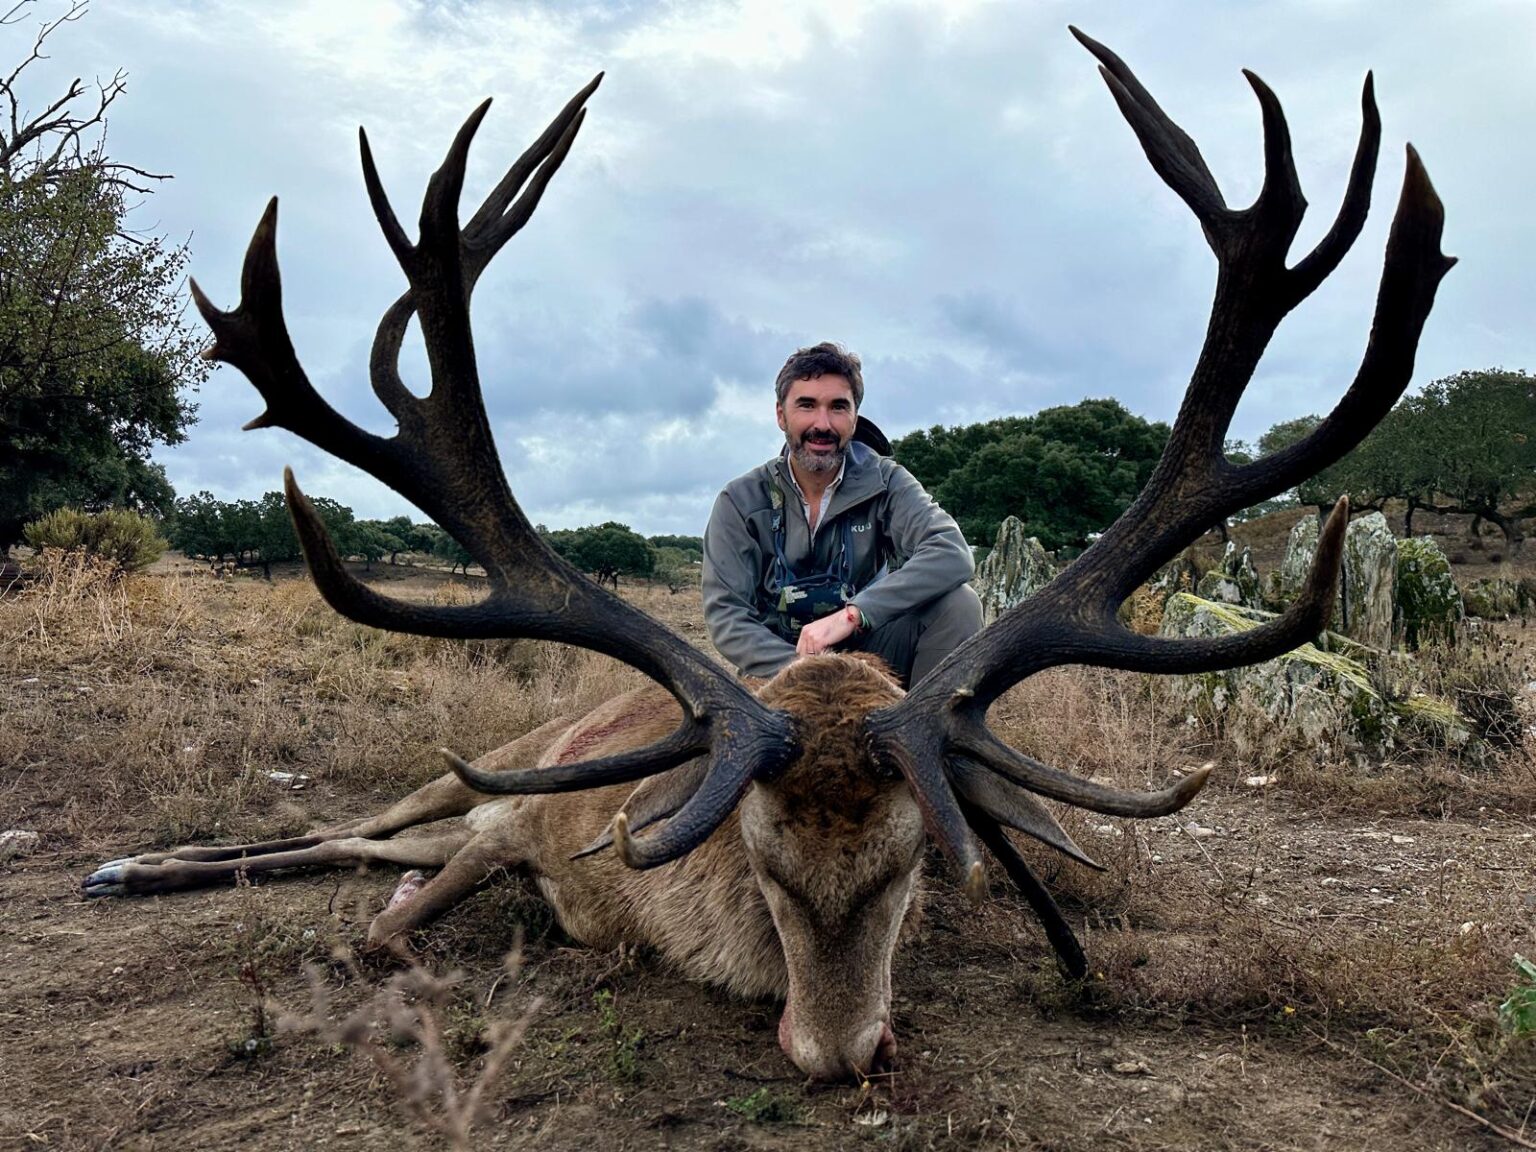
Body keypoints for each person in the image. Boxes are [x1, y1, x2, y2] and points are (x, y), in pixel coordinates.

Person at [702, 342, 983, 688]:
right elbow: (728, 615)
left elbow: (951, 552)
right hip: (778, 670)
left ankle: (922, 734)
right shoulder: (739, 500)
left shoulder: (887, 481)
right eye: (806, 405)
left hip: (873, 656)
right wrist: (806, 670)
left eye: (838, 407)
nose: (822, 424)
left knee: (959, 605)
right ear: (781, 415)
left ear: (854, 417)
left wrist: (855, 614)